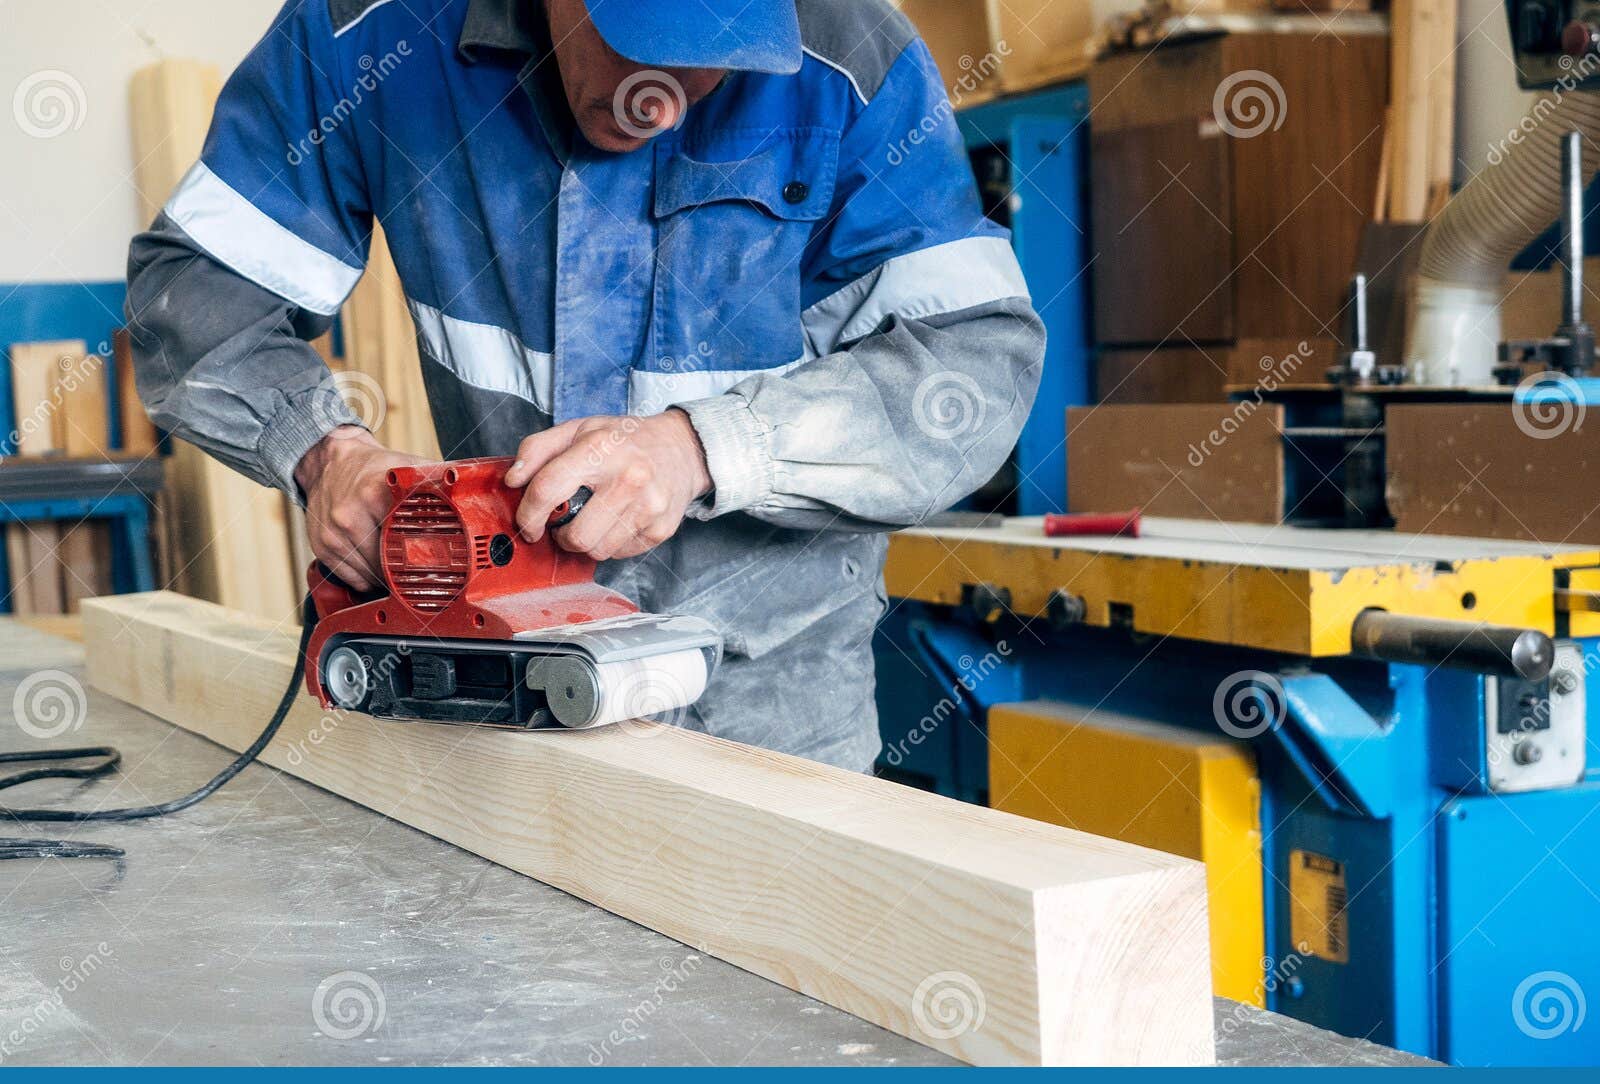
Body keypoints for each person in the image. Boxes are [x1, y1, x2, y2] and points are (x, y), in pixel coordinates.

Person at [125, 0, 1045, 772]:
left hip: (776, 715)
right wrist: (323, 452)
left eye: (716, 62)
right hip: (493, 700)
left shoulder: (851, 58)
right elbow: (192, 289)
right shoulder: (376, 32)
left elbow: (974, 366)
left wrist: (701, 449)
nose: (665, 105)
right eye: (638, 43)